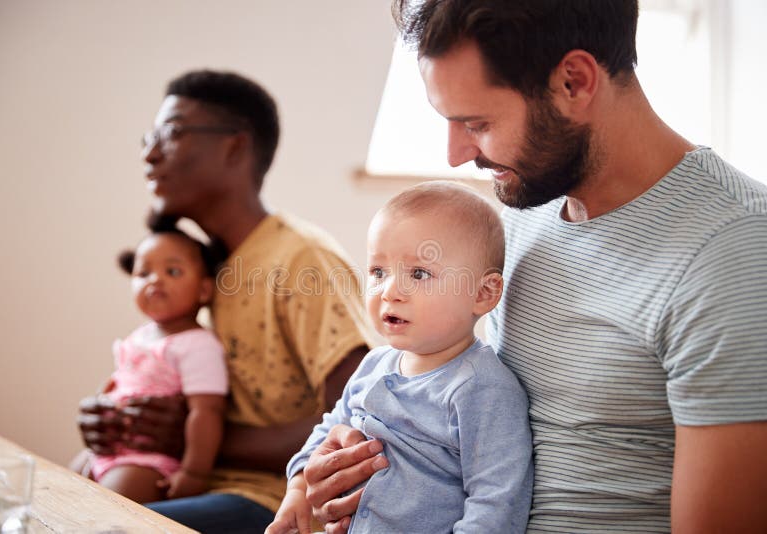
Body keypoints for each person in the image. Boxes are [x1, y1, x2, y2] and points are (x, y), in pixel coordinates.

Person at [301, 1, 767, 533]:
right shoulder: (526, 213)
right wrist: (351, 463)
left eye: (476, 123)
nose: (455, 155)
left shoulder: (734, 252)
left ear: (574, 81)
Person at [74, 70, 373, 533]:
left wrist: (197, 438)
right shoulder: (209, 268)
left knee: (100, 526)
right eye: (148, 138)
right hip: (195, 480)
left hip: (270, 499)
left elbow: (355, 419)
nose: (150, 155)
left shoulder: (301, 259)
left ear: (234, 146)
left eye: (170, 134)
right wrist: (122, 417)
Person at [266, 181, 533, 534]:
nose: (390, 291)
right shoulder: (374, 364)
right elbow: (330, 427)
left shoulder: (481, 388)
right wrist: (298, 489)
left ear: (483, 294)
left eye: (419, 274)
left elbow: (496, 502)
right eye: (379, 272)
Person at [71, 217, 229, 504]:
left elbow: (206, 412)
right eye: (143, 273)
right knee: (62, 489)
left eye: (172, 271)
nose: (155, 279)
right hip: (107, 450)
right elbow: (118, 384)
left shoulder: (198, 345)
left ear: (204, 290)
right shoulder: (139, 336)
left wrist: (194, 473)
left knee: (108, 506)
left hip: (148, 460)